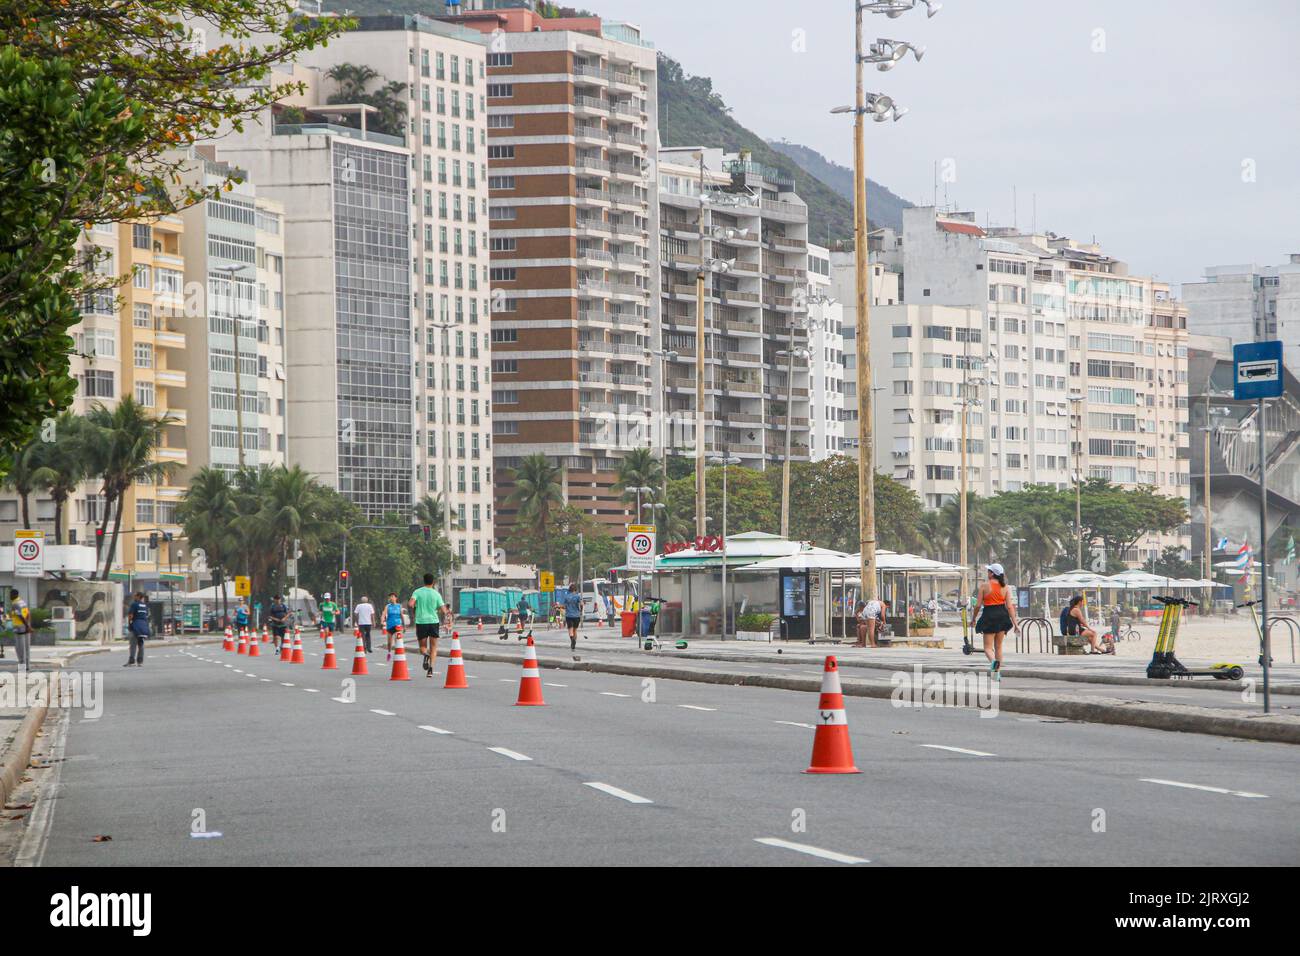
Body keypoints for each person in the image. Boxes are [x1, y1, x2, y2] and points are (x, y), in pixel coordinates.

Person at [973, 563, 1016, 680]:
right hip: (1002, 616)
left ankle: (994, 663)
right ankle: (996, 673)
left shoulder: (984, 586)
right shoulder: (1006, 587)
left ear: (992, 574)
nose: (987, 573)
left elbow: (977, 606)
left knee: (987, 647)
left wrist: (973, 619)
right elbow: (1010, 607)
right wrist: (1016, 624)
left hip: (989, 615)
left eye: (989, 571)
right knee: (999, 647)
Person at [408, 574, 446, 678]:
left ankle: (425, 655)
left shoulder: (417, 592)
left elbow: (410, 603)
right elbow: (443, 610)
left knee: (422, 647)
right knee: (433, 647)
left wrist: (416, 605)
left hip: (421, 622)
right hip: (434, 622)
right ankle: (430, 669)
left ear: (423, 581)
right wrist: (438, 610)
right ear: (433, 582)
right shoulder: (436, 594)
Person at [125, 591, 150, 667]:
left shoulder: (134, 604)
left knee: (133, 644)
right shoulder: (144, 606)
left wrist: (130, 624)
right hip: (143, 626)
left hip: (136, 625)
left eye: (135, 596)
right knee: (141, 643)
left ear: (138, 596)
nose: (134, 597)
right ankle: (140, 661)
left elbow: (130, 616)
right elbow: (146, 615)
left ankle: (132, 661)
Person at [8, 588, 30, 669]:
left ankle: (22, 665)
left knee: (20, 648)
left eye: (10, 594)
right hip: (25, 626)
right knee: (26, 647)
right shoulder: (22, 602)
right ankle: (27, 665)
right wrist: (28, 625)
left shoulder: (15, 604)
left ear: (14, 595)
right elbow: (28, 614)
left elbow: (20, 616)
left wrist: (27, 626)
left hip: (19, 628)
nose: (9, 596)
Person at [561, 582, 583, 655]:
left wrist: (559, 607)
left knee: (570, 630)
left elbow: (564, 606)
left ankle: (572, 640)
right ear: (575, 589)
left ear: (569, 589)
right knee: (575, 630)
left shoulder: (566, 596)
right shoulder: (577, 596)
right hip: (576, 615)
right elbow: (581, 604)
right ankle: (574, 643)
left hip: (569, 615)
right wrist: (581, 610)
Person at [383, 592, 403, 661]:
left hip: (398, 625)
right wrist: (382, 619)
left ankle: (397, 653)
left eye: (392, 596)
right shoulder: (388, 606)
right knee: (389, 642)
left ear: (396, 598)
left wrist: (404, 626)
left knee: (397, 639)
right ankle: (389, 653)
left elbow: (401, 615)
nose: (391, 598)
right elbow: (384, 613)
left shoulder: (399, 606)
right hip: (390, 625)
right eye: (390, 597)